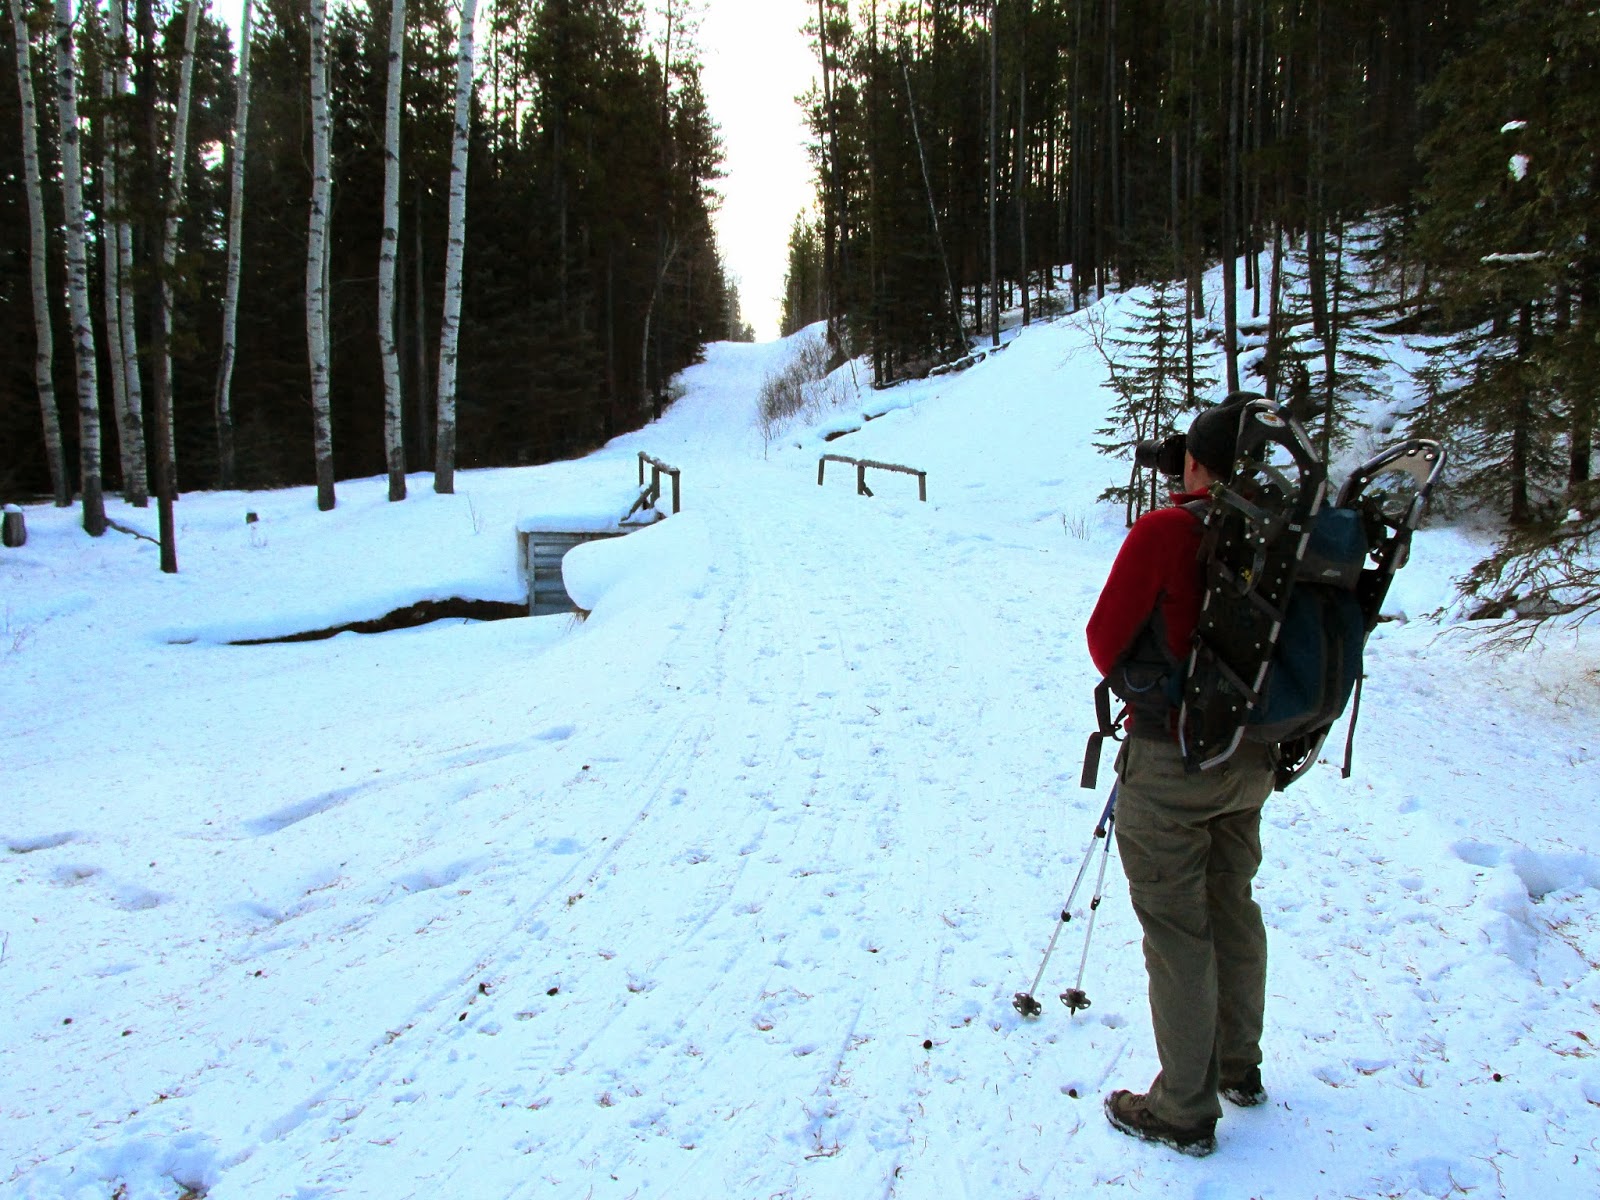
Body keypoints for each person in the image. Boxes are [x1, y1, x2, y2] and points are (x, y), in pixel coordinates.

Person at [1084, 398, 1275, 1158]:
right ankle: (1238, 1065)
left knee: (1177, 927)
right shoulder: (1272, 534)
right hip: (1251, 757)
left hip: (1174, 758)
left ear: (1197, 463)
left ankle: (1184, 1108)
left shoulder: (1168, 529)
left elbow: (1104, 641)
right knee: (1232, 902)